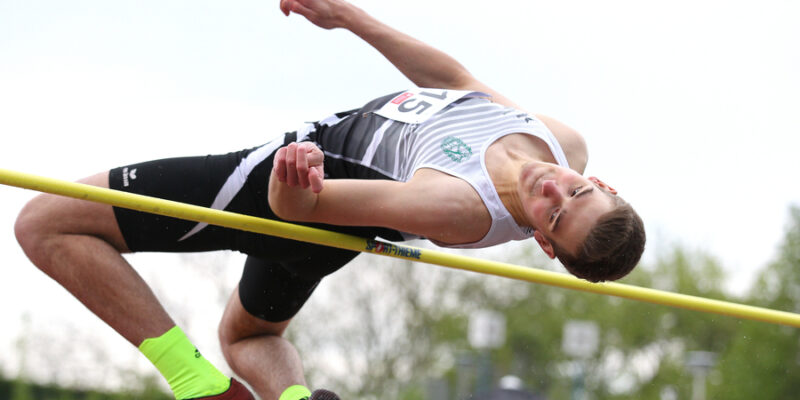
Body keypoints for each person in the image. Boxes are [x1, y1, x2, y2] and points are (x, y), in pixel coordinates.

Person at [13, 0, 645, 399]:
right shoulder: (563, 144)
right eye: (578, 190)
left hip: (305, 191)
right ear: (601, 181)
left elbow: (301, 213)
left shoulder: (459, 207)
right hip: (325, 214)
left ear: (541, 239)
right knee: (249, 338)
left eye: (554, 215)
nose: (552, 188)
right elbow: (457, 84)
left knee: (46, 224)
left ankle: (196, 387)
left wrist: (294, 177)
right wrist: (352, 18)